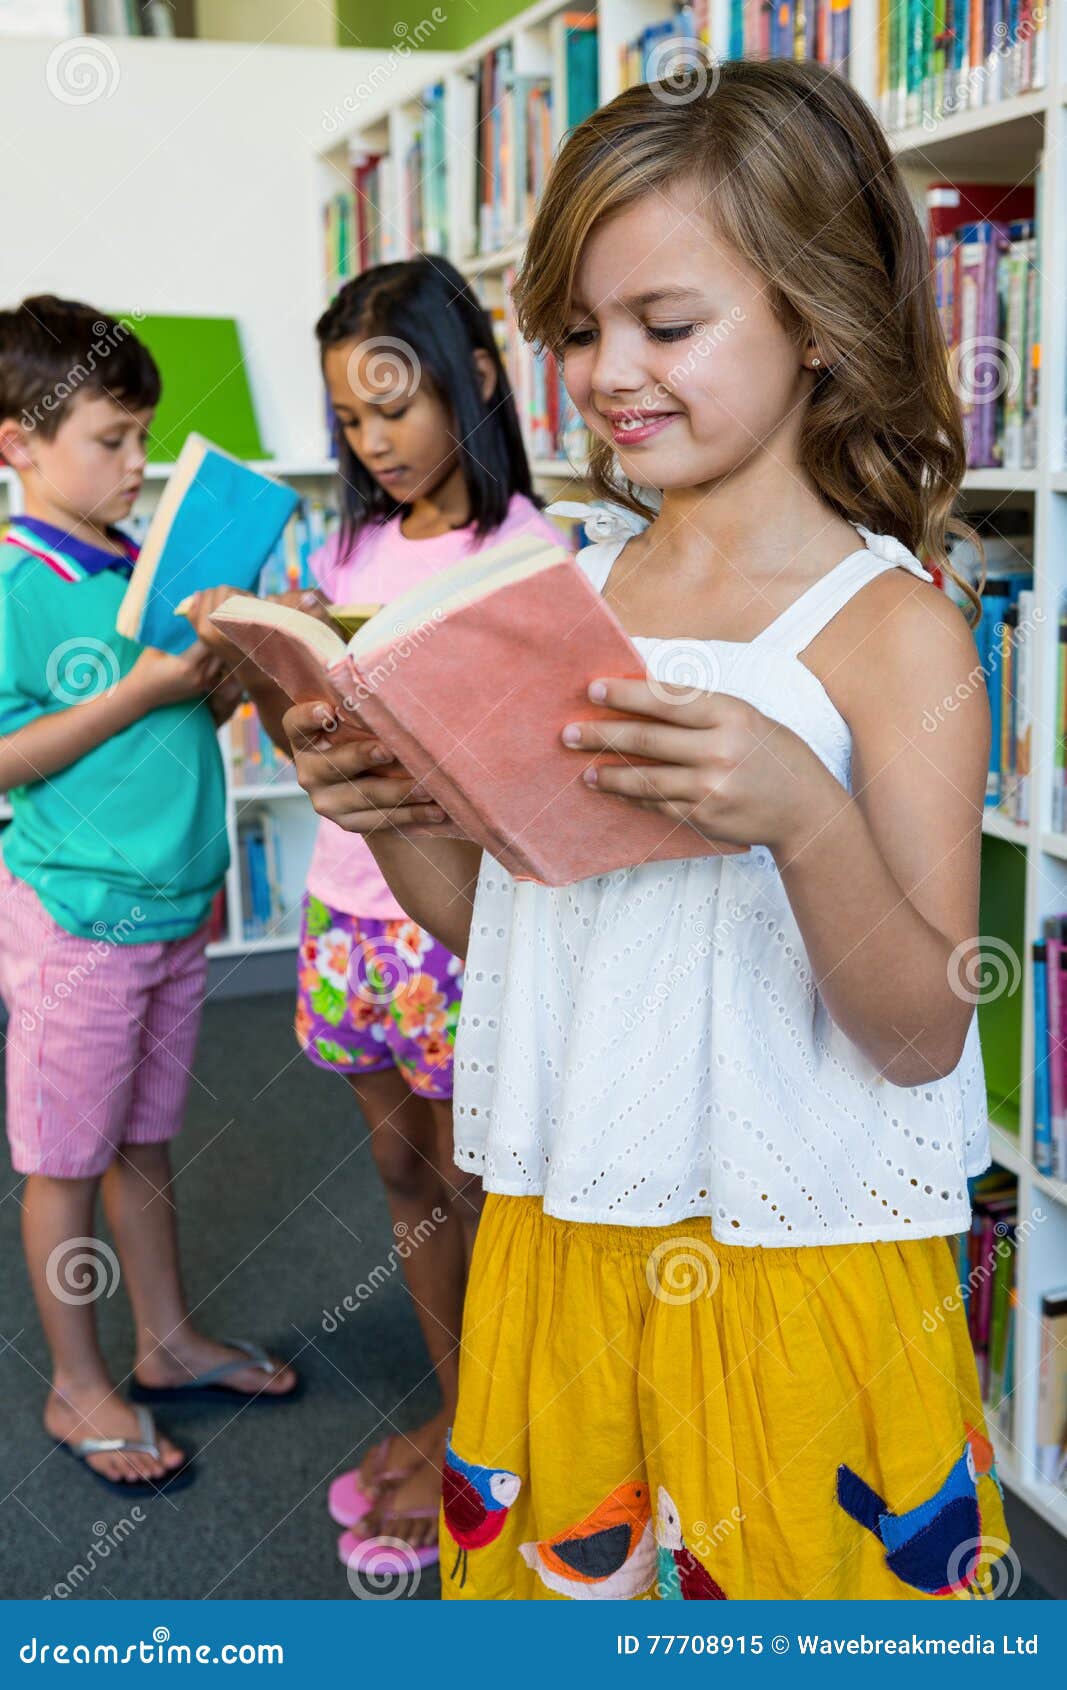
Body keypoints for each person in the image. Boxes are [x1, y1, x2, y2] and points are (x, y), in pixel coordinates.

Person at [286, 57, 1011, 1599]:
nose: (607, 371)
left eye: (665, 326)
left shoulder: (893, 635)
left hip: (795, 1255)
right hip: (568, 1226)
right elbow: (526, 929)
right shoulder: (572, 597)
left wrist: (802, 820)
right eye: (578, 330)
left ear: (816, 319)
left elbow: (916, 1036)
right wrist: (399, 810)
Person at [185, 257, 568, 1562]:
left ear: (474, 379)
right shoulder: (342, 541)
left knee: (478, 1184)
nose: (373, 440)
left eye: (394, 403)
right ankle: (461, 1407)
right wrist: (254, 654)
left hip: (459, 921)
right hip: (347, 916)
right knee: (401, 1178)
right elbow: (307, 733)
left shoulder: (528, 553)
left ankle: (498, 1440)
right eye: (349, 416)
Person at [0, 297, 299, 1495]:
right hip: (77, 917)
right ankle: (79, 1384)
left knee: (145, 1143)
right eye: (112, 441)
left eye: (143, 440)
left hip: (176, 905)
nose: (139, 464)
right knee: (62, 1162)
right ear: (16, 442)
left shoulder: (141, 567)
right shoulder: (18, 583)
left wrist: (219, 679)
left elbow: (179, 724)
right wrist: (142, 692)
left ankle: (164, 1340)